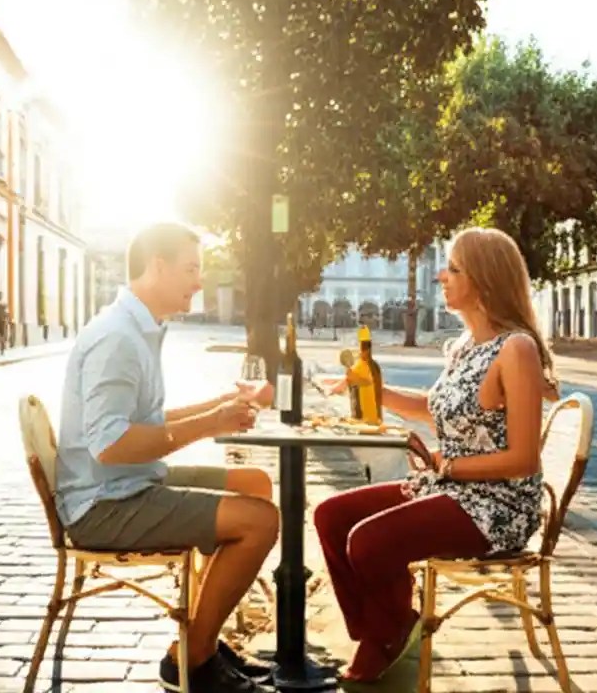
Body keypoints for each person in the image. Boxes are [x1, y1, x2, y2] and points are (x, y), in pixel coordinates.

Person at [313, 227, 560, 687]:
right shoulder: (463, 347)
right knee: (331, 515)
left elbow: (524, 459)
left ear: (484, 281)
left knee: (368, 542)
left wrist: (445, 464)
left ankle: (386, 639)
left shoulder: (516, 350)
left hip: (498, 507)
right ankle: (382, 633)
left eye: (454, 269)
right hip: (452, 488)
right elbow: (435, 407)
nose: (441, 277)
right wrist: (370, 389)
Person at [55, 221, 280, 693]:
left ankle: (200, 638)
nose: (199, 281)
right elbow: (111, 445)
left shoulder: (139, 328)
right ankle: (193, 661)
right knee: (259, 521)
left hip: (129, 485)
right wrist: (212, 424)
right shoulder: (117, 337)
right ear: (158, 268)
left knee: (255, 483)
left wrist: (220, 405)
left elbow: (150, 420)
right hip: (103, 505)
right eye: (191, 268)